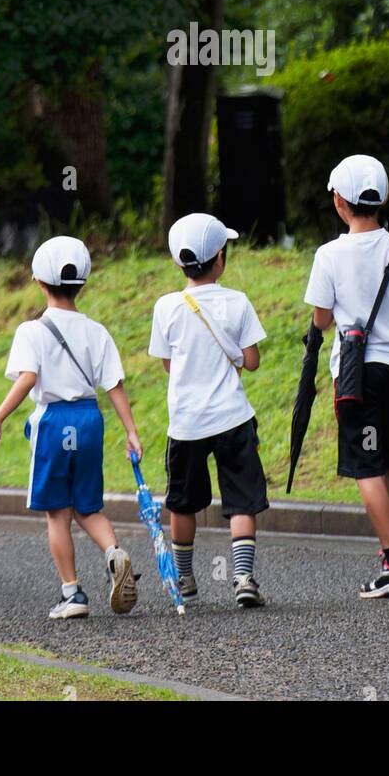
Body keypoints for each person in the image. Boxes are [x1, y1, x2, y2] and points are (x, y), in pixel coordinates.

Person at [0, 234, 142, 620]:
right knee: (86, 505)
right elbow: (115, 385)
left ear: (39, 282)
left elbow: (27, 378)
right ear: (82, 284)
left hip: (54, 422)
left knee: (58, 512)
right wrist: (132, 431)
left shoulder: (31, 331)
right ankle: (113, 553)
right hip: (90, 419)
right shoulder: (96, 331)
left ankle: (72, 594)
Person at [304, 155, 389, 598]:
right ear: (384, 198)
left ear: (339, 201)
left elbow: (321, 320)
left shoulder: (329, 255)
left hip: (358, 374)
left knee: (365, 464)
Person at [150, 213, 269, 608]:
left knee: (182, 501)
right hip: (232, 418)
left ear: (177, 262)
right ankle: (242, 577)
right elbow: (251, 361)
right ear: (221, 258)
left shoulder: (166, 307)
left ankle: (184, 579)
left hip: (186, 423)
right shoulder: (237, 302)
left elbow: (168, 363)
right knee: (242, 498)